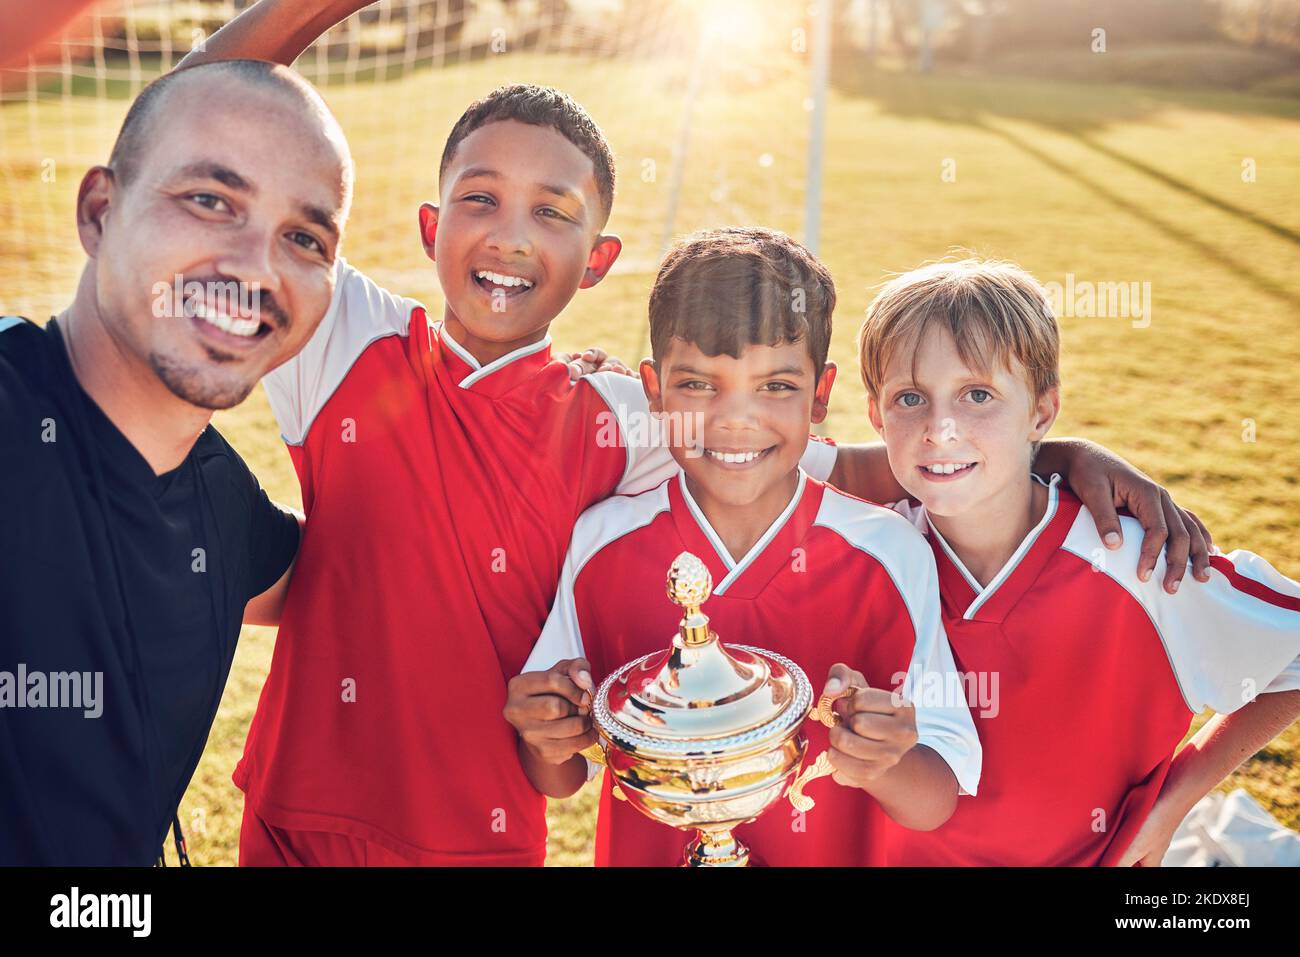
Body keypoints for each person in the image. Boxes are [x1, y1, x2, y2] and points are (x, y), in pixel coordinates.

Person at [188, 2, 1216, 866]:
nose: (508, 233)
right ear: (429, 227)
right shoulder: (344, 341)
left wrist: (1061, 459)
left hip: (484, 833)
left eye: (552, 211)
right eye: (480, 199)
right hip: (295, 810)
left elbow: (813, 462)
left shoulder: (628, 420)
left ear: (596, 260)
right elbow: (188, 119)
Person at [507, 228, 982, 866]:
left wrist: (883, 760)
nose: (735, 419)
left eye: (776, 386)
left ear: (820, 394)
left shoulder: (889, 552)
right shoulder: (602, 542)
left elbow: (935, 798)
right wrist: (545, 732)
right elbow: (562, 778)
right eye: (699, 385)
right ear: (653, 390)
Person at [0, 59, 353, 864]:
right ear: (99, 210)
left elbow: (348, 584)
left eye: (304, 237)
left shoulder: (221, 502)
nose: (257, 268)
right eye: (209, 201)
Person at [853, 258, 1300, 866]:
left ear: (1041, 411)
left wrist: (1175, 801)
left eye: (977, 394)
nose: (941, 428)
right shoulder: (867, 551)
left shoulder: (1135, 560)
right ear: (876, 415)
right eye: (911, 397)